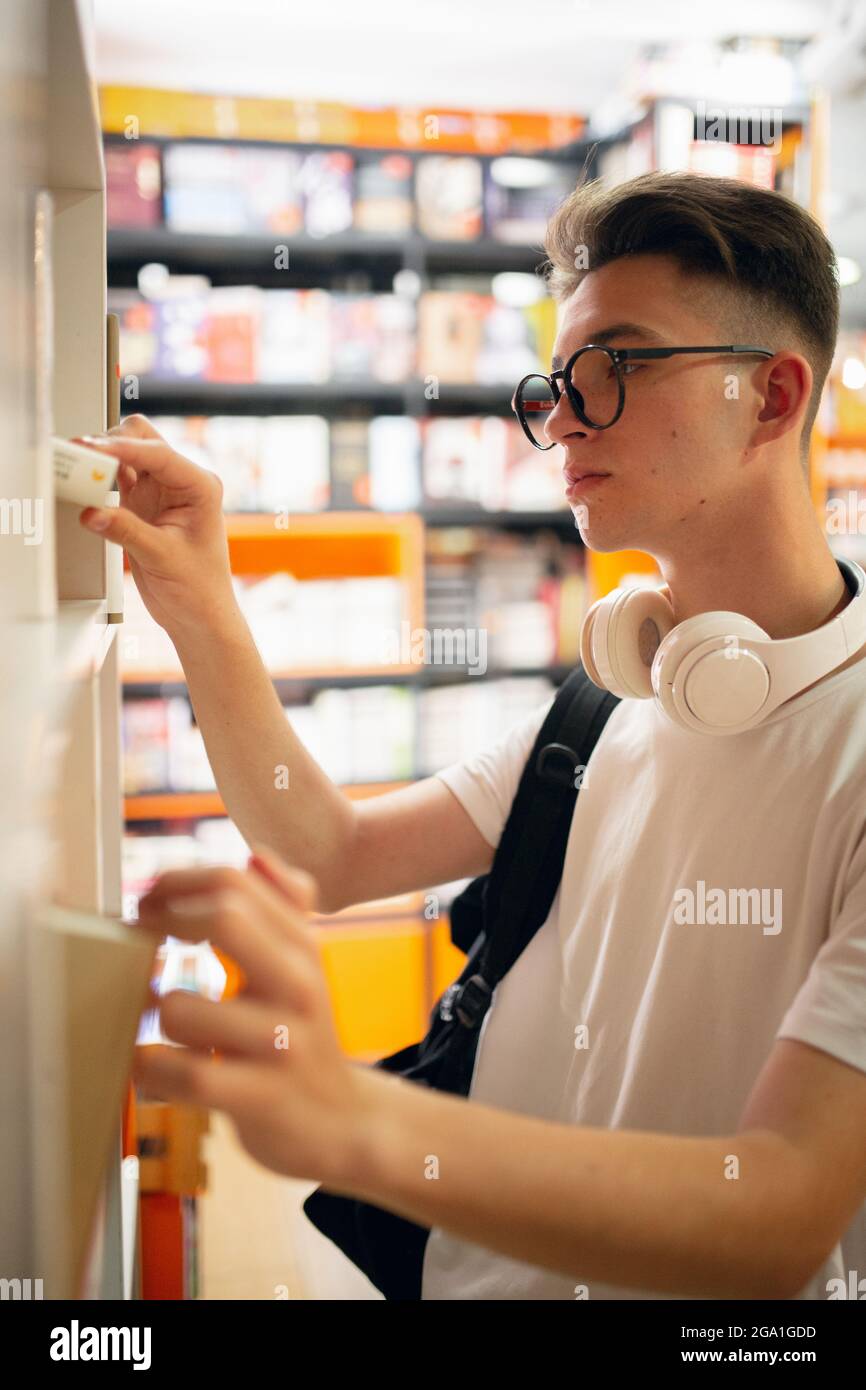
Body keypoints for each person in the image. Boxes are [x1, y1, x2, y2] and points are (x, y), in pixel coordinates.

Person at [78, 171, 866, 1300]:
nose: (560, 422)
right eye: (555, 382)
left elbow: (782, 1212)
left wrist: (361, 1122)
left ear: (772, 396)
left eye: (614, 370)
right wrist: (203, 597)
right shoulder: (606, 703)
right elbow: (330, 853)